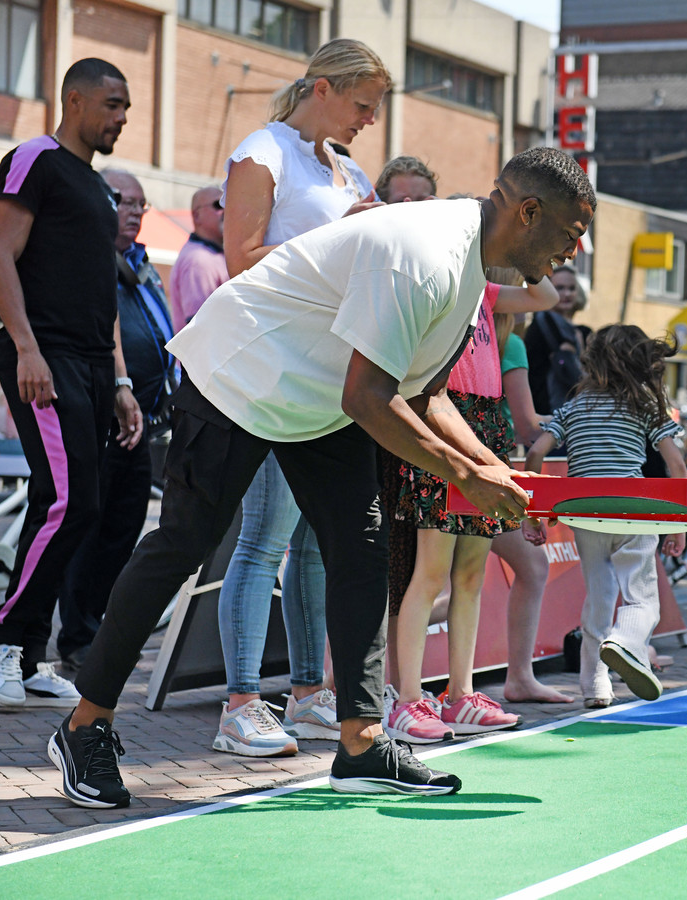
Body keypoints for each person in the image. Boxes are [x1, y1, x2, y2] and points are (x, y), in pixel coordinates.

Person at [45, 146, 595, 809]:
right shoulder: (424, 253)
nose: (572, 254)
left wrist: (487, 467)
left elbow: (424, 396)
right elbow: (370, 399)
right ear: (529, 212)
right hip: (240, 372)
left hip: (317, 393)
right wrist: (467, 476)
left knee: (361, 552)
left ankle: (361, 745)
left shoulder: (467, 266)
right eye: (570, 234)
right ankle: (85, 726)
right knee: (182, 546)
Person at [212, 38, 390, 758]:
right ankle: (241, 703)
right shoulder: (265, 150)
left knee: (320, 543)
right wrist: (341, 240)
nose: (368, 121)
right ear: (322, 88)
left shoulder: (344, 169)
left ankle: (312, 693)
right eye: (361, 105)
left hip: (326, 378)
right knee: (264, 540)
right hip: (273, 373)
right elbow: (241, 259)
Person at [0, 58, 142, 710]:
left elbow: (107, 297)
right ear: (74, 100)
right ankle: (2, 643)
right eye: (113, 105)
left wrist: (123, 381)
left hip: (97, 365)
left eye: (125, 108)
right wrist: (26, 351)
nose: (121, 119)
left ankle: (29, 650)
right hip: (47, 357)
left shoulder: (99, 190)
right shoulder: (33, 160)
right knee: (66, 500)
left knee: (83, 507)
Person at [386, 273, 562, 743]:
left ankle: (460, 694)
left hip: (486, 421)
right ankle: (406, 699)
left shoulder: (485, 292)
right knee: (430, 571)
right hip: (441, 418)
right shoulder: (437, 286)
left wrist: (530, 250)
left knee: (470, 574)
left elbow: (545, 295)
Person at [523, 324, 687, 708]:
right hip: (632, 509)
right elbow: (676, 464)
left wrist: (534, 514)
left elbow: (534, 455)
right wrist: (678, 523)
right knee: (642, 598)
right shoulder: (644, 406)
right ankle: (626, 643)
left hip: (584, 513)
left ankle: (595, 685)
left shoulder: (573, 407)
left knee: (599, 595)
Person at [56, 170, 175, 674]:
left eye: (141, 204)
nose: (134, 211)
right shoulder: (87, 256)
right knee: (90, 525)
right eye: (124, 201)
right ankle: (76, 636)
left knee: (125, 527)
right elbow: (103, 334)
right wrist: (122, 388)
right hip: (101, 416)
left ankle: (95, 626)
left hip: (143, 422)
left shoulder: (141, 265)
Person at [493, 303, 572, 704]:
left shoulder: (464, 331)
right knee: (444, 586)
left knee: (438, 582)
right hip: (489, 472)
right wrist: (575, 419)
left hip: (453, 467)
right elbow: (526, 426)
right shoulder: (509, 342)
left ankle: (349, 674)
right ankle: (519, 677)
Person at [524, 264, 591, 415]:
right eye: (559, 288)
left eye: (572, 288)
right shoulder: (541, 325)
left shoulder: (583, 332)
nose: (567, 293)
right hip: (549, 410)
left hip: (574, 407)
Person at [168, 184, 227, 331]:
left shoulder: (213, 255)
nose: (226, 210)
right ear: (196, 215)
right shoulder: (199, 260)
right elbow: (199, 329)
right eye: (218, 204)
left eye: (228, 203)